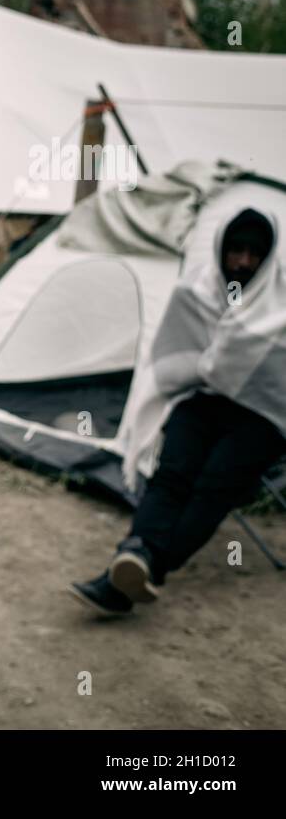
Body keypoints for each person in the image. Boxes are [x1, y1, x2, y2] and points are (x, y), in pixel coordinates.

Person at [70, 206, 286, 615]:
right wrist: (212, 372)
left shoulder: (282, 307)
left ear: (270, 256)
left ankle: (137, 564)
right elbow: (173, 361)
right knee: (171, 476)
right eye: (235, 250)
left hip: (263, 418)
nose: (243, 261)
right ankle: (137, 561)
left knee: (212, 486)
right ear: (221, 249)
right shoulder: (197, 293)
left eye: (254, 253)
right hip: (203, 398)